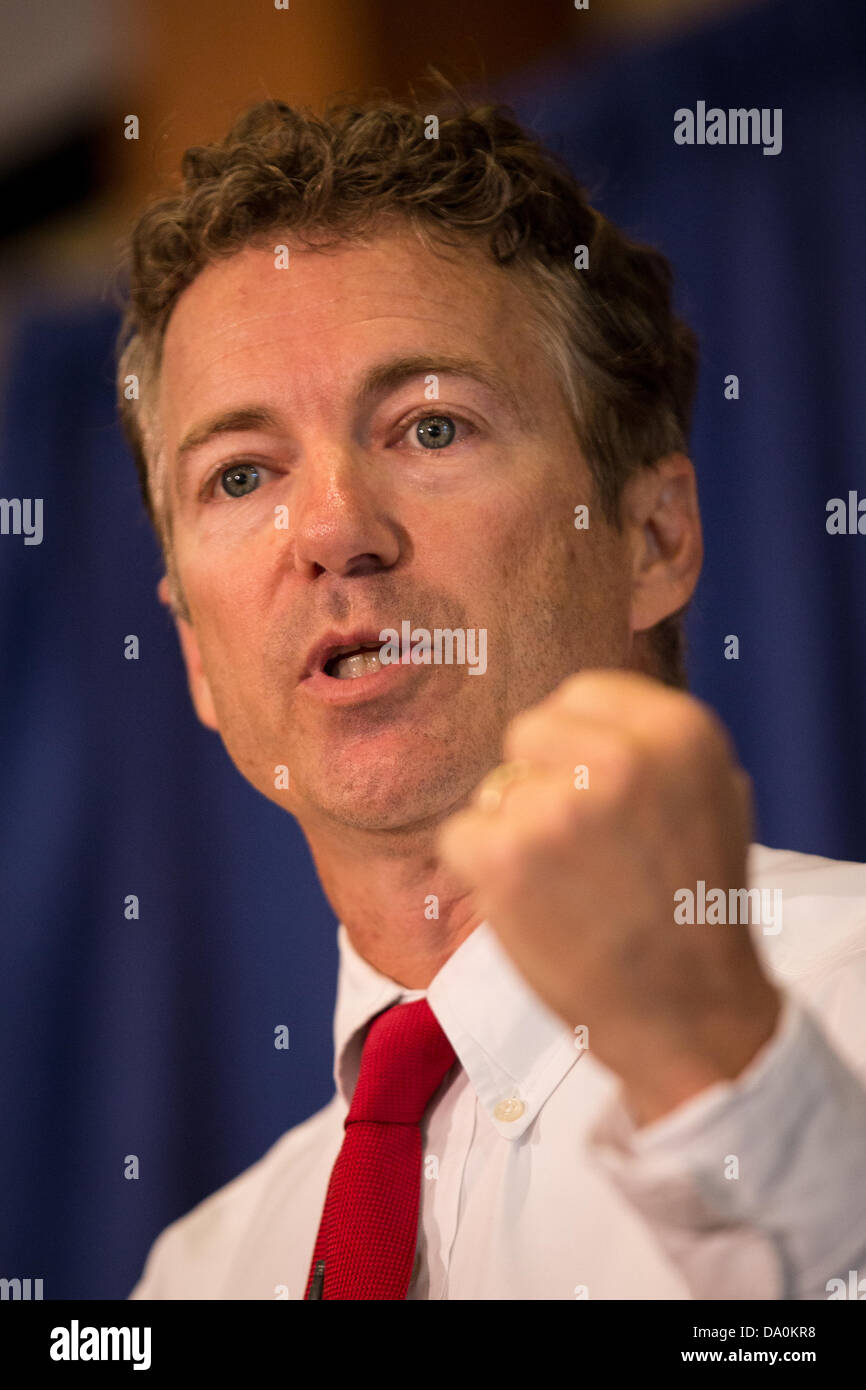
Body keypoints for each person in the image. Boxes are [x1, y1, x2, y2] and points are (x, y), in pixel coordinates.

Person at [118, 81, 866, 1300]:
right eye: (242, 474)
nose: (332, 529)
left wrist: (726, 1083)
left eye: (429, 427)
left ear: (651, 537)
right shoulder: (197, 1273)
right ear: (196, 650)